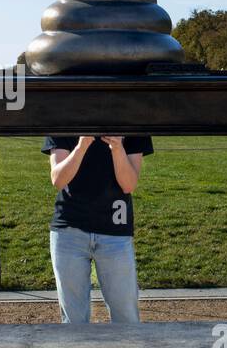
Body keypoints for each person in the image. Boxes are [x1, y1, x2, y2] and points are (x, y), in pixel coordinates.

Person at [42, 133, 152, 323]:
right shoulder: (64, 119)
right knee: (73, 320)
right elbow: (58, 180)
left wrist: (117, 148)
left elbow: (129, 184)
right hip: (69, 229)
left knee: (126, 315)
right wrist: (82, 145)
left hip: (115, 233)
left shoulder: (133, 121)